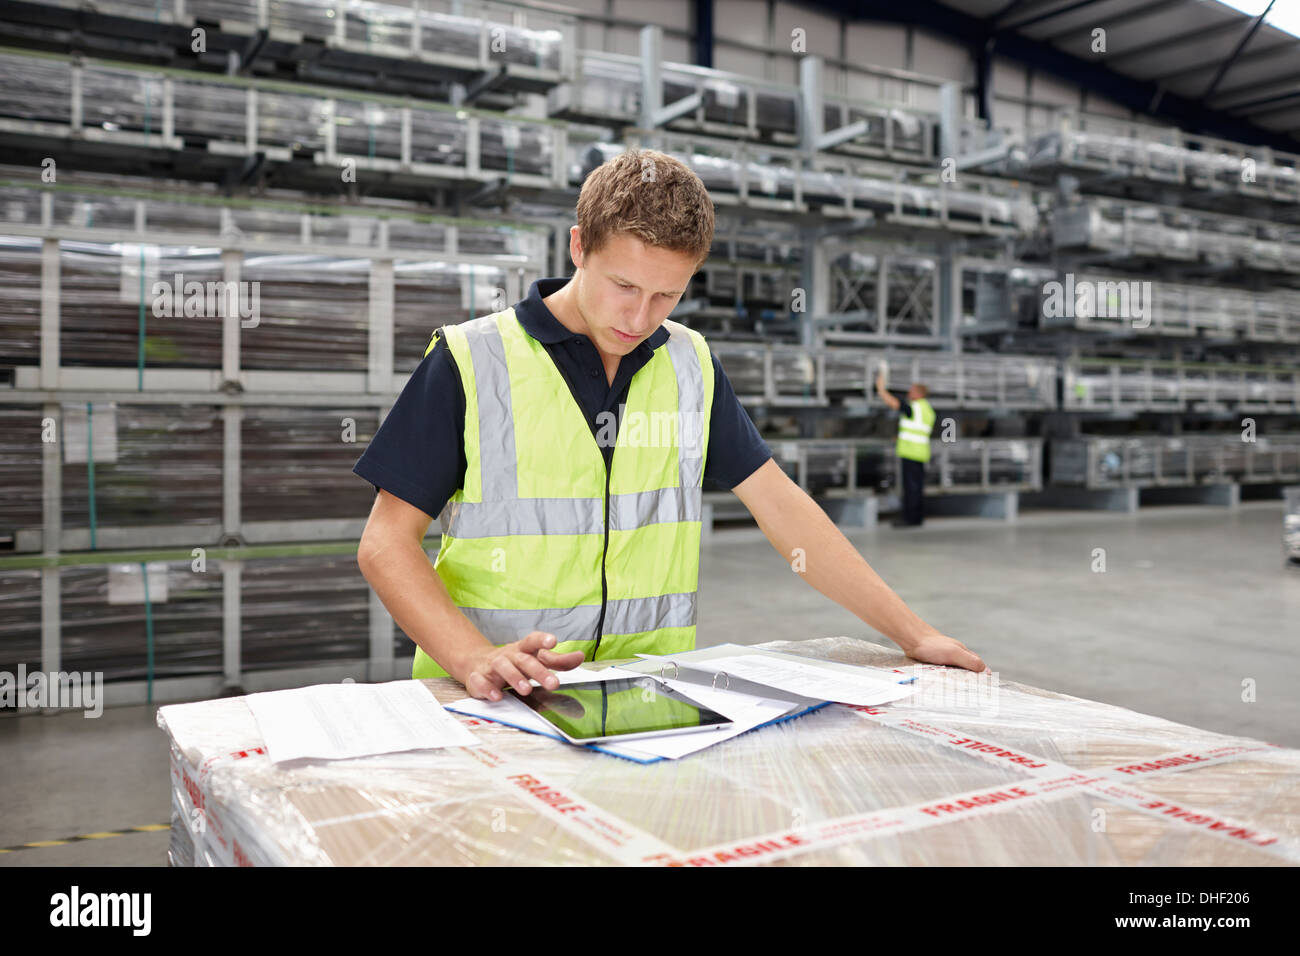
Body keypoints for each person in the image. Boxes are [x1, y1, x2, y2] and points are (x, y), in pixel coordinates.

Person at [353, 148, 985, 703]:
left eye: (666, 295)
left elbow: (785, 510)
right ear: (578, 246)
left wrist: (915, 632)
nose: (638, 316)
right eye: (623, 284)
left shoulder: (691, 365)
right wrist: (472, 657)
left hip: (646, 702)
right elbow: (385, 544)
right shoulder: (472, 359)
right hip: (492, 700)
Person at [874, 372, 935, 527]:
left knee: (911, 488)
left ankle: (910, 519)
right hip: (920, 452)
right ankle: (917, 518)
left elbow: (894, 404)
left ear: (919, 393)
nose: (909, 393)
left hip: (911, 452)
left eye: (912, 390)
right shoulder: (927, 409)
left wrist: (881, 389)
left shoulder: (915, 407)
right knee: (917, 488)